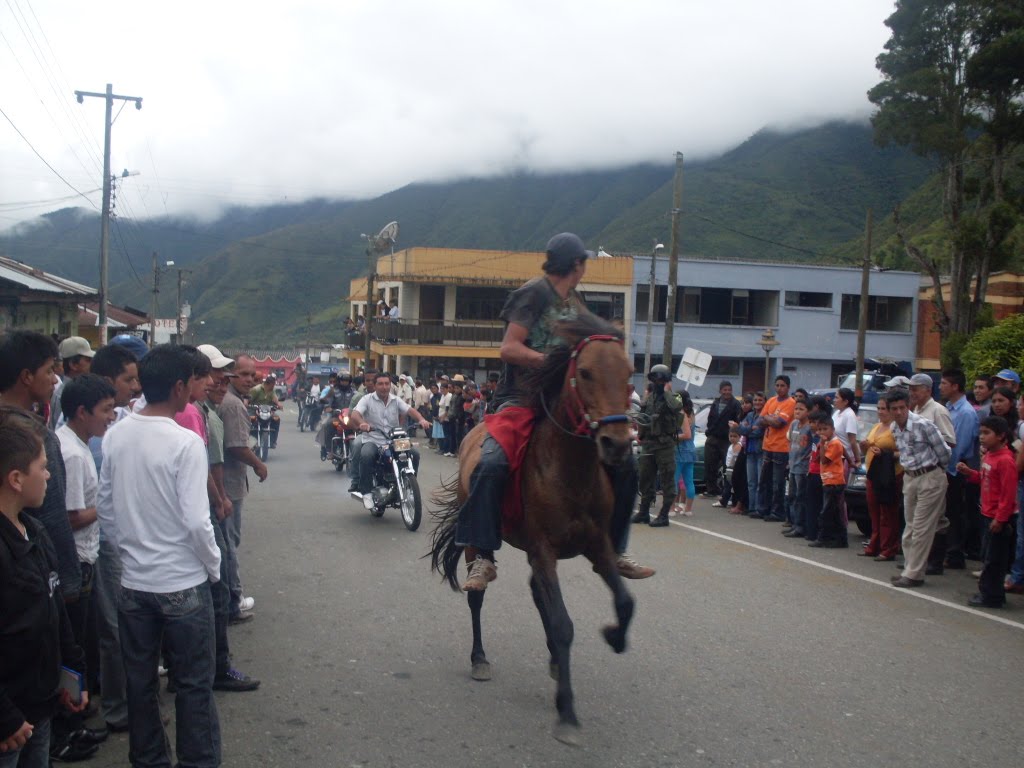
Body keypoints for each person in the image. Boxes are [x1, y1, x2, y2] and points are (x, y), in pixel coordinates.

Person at [457, 232, 654, 590]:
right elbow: (509, 349)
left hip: (562, 403)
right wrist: (550, 362)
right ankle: (483, 554)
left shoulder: (576, 303)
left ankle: (614, 548)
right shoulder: (534, 293)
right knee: (491, 464)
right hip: (520, 398)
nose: (585, 268)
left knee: (626, 463)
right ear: (577, 264)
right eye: (585, 262)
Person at [96, 345, 222, 767]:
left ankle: (149, 760)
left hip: (134, 584)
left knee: (141, 683)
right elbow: (196, 521)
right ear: (179, 387)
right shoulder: (185, 442)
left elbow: (106, 508)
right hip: (182, 583)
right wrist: (213, 566)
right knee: (193, 685)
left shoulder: (116, 434)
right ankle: (197, 761)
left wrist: (129, 554)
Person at [0, 408, 90, 768]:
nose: (49, 474)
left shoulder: (35, 532)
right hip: (10, 721)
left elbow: (55, 614)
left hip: (41, 704)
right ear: (16, 478)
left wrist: (70, 675)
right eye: (42, 466)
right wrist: (5, 716)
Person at [51, 375, 116, 758]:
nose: (111, 418)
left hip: (82, 559)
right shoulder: (74, 454)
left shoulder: (75, 444)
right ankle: (66, 730)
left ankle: (73, 722)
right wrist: (107, 506)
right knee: (72, 649)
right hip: (78, 561)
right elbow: (73, 516)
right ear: (81, 412)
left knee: (77, 647)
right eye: (105, 411)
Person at [196, 346, 260, 691]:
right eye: (216, 376)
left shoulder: (213, 407)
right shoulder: (212, 410)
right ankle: (231, 603)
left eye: (233, 375)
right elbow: (220, 456)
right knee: (225, 551)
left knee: (226, 549)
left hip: (223, 491)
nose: (225, 381)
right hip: (224, 491)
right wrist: (220, 497)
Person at [0, 331, 81, 602]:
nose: (54, 379)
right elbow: (53, 514)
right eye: (49, 370)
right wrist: (69, 583)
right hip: (36, 572)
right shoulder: (37, 437)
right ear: (26, 377)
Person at [85, 342, 140, 735]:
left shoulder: (117, 423)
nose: (135, 387)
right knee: (114, 628)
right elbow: (101, 498)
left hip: (114, 538)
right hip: (106, 542)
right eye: (128, 379)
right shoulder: (98, 437)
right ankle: (120, 708)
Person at [216, 352, 267, 622]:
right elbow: (236, 446)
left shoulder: (229, 400)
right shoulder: (233, 404)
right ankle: (234, 602)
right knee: (229, 543)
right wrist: (259, 464)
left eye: (252, 374)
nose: (250, 379)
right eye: (243, 374)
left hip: (226, 481)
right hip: (229, 484)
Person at [887, 390, 952, 588]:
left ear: (908, 406)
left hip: (930, 476)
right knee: (910, 526)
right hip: (910, 477)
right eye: (894, 409)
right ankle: (911, 567)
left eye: (902, 408)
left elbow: (945, 452)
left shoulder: (923, 425)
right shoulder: (894, 428)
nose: (899, 412)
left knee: (922, 528)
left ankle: (914, 574)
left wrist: (935, 473)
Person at [957, 416, 1016, 608]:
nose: (982, 437)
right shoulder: (990, 456)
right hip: (986, 513)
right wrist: (969, 473)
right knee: (987, 556)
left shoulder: (1006, 460)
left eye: (987, 433)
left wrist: (1000, 518)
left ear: (1001, 436)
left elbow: (1008, 494)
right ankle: (987, 591)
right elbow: (985, 479)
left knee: (994, 559)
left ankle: (992, 596)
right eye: (981, 432)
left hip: (997, 517)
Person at [349, 372, 430, 508]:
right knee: (366, 455)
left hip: (394, 440)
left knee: (414, 454)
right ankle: (367, 492)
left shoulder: (395, 399)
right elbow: (355, 414)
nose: (384, 387)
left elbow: (410, 411)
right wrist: (362, 423)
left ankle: (409, 486)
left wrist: (421, 419)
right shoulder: (366, 399)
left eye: (387, 384)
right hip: (373, 439)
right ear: (375, 386)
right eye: (380, 384)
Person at [633, 365, 683, 528]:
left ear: (666, 380)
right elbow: (643, 417)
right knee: (645, 478)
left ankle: (663, 515)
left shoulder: (672, 397)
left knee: (667, 480)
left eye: (660, 379)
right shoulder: (649, 398)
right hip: (649, 443)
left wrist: (666, 391)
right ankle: (644, 512)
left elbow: (676, 408)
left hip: (665, 445)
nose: (657, 382)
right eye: (654, 379)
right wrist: (641, 434)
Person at [939, 369, 979, 571]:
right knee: (945, 511)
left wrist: (948, 468)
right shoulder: (948, 408)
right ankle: (946, 551)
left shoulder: (965, 412)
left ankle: (955, 554)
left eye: (944, 383)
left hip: (955, 469)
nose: (940, 387)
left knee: (954, 513)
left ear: (955, 386)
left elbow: (960, 444)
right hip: (946, 467)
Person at [858, 396, 902, 560]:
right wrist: (864, 447)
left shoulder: (896, 429)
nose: (880, 412)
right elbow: (866, 451)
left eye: (884, 409)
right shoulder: (876, 427)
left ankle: (888, 548)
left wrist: (886, 454)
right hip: (873, 473)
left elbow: (903, 452)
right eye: (879, 408)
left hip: (890, 474)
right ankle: (874, 544)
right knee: (874, 511)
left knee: (887, 513)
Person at [759, 375, 797, 523]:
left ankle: (777, 511)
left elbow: (778, 423)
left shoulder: (790, 403)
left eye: (782, 385)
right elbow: (760, 420)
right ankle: (764, 508)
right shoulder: (771, 401)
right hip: (767, 445)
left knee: (778, 482)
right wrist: (769, 418)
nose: (779, 388)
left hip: (781, 447)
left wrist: (768, 418)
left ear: (788, 387)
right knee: (765, 480)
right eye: (777, 385)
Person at [811, 416, 848, 548]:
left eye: (825, 429)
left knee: (827, 512)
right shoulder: (827, 443)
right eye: (820, 430)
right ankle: (839, 539)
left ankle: (823, 538)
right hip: (827, 480)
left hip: (834, 481)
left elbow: (824, 460)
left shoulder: (834, 443)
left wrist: (822, 444)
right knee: (834, 511)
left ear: (832, 429)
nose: (822, 432)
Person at [702, 381, 742, 498]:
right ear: (720, 391)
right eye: (724, 390)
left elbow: (737, 421)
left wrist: (733, 436)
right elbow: (710, 419)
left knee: (727, 466)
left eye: (729, 390)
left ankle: (727, 492)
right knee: (710, 464)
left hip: (727, 440)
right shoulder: (715, 402)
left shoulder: (735, 404)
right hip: (712, 437)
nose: (727, 392)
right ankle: (711, 489)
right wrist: (709, 431)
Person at [48, 336, 95, 431]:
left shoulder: (84, 389)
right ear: (73, 364)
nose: (92, 364)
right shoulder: (62, 396)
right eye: (87, 360)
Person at [732, 391, 765, 519]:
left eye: (760, 400)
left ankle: (758, 508)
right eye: (755, 400)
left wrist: (746, 429)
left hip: (760, 451)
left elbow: (757, 432)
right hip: (749, 451)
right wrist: (748, 429)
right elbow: (741, 430)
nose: (757, 402)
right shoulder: (750, 415)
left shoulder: (764, 416)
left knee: (759, 482)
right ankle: (751, 507)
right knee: (751, 481)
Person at [782, 399, 812, 538]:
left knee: (801, 496)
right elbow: (790, 442)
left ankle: (801, 525)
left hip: (803, 466)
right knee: (792, 496)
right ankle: (794, 523)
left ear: (808, 411)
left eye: (801, 409)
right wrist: (789, 459)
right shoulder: (794, 424)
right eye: (796, 409)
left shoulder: (810, 427)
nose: (798, 411)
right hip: (793, 464)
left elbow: (812, 447)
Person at [672, 390, 696, 517]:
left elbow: (686, 434)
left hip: (680, 451)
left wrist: (671, 436)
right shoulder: (691, 413)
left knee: (673, 480)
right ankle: (688, 509)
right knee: (689, 481)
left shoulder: (681, 413)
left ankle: (671, 509)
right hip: (691, 450)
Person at [712, 428, 743, 511]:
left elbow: (735, 459)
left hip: (733, 469)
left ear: (739, 437)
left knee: (729, 486)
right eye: (731, 436)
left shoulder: (738, 446)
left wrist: (732, 467)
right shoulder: (731, 445)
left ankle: (724, 501)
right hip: (728, 467)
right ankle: (728, 500)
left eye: (735, 436)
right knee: (727, 485)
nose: (732, 438)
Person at [248, 374, 281, 449]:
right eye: (273, 384)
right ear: (269, 384)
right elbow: (248, 399)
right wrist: (247, 403)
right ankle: (245, 440)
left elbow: (275, 398)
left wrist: (279, 404)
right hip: (255, 410)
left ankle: (273, 441)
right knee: (247, 419)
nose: (273, 386)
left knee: (277, 418)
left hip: (267, 411)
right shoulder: (256, 389)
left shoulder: (272, 390)